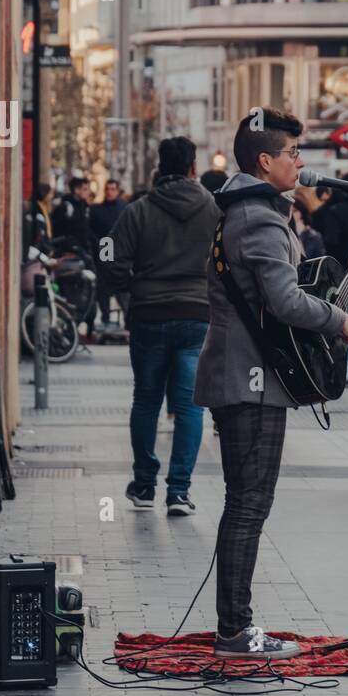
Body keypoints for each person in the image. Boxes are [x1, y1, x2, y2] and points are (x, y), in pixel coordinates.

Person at [193, 109, 348, 658]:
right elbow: (285, 302)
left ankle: (233, 627)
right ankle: (235, 632)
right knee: (248, 505)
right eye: (293, 152)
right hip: (247, 382)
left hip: (243, 377)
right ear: (265, 161)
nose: (301, 162)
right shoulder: (260, 219)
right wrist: (338, 319)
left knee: (245, 502)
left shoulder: (249, 212)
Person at [102, 137, 219, 516]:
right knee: (189, 407)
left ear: (158, 166)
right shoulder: (216, 211)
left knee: (146, 401)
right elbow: (229, 261)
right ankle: (179, 491)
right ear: (192, 167)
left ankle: (143, 483)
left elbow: (107, 254)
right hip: (197, 316)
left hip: (149, 315)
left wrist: (130, 291)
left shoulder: (138, 211)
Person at [312, 172, 348, 386]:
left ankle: (346, 368)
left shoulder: (334, 211)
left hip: (336, 272)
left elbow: (330, 239)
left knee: (340, 318)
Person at [89, 178, 127, 329]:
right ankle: (105, 317)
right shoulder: (96, 210)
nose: (110, 192)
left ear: (117, 191)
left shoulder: (125, 208)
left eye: (113, 189)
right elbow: (91, 230)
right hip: (103, 250)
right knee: (103, 288)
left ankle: (128, 320)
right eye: (107, 189)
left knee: (123, 289)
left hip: (121, 253)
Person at [52, 175, 91, 251]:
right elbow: (56, 231)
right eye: (85, 189)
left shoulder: (85, 207)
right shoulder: (65, 207)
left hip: (83, 251)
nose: (88, 192)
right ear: (76, 190)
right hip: (68, 253)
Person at [290, 195, 325, 260]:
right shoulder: (284, 231)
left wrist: (299, 234)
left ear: (301, 212)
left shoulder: (313, 236)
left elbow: (306, 258)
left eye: (294, 211)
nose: (291, 214)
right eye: (289, 211)